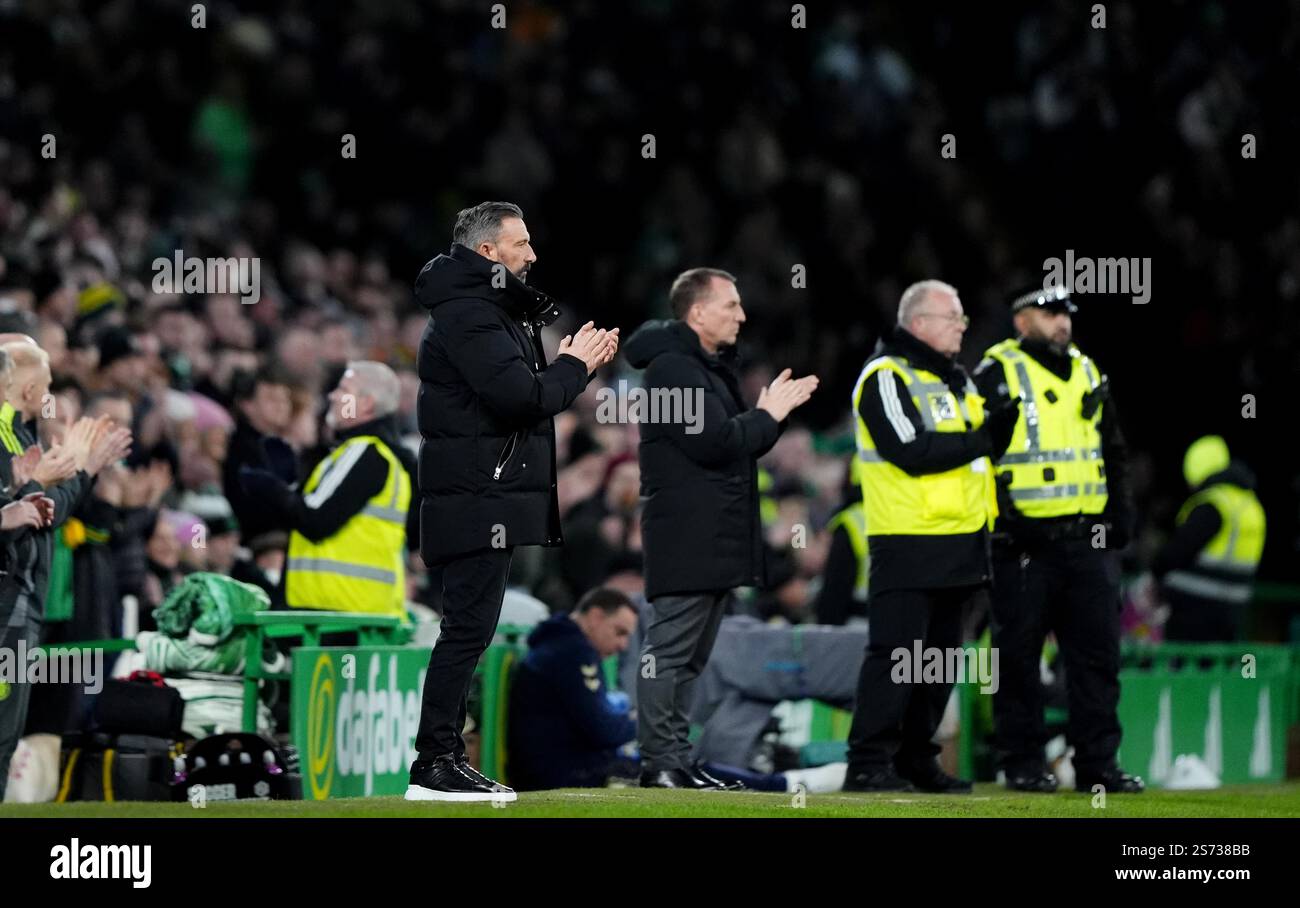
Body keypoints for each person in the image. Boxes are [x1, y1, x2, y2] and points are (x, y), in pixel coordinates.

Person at [407, 201, 618, 801]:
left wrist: (569, 368)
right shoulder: (470, 313)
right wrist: (575, 366)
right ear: (487, 253)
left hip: (482, 491)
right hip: (475, 495)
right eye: (520, 243)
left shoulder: (486, 309)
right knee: (466, 631)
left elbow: (518, 393)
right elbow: (521, 397)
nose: (533, 254)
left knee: (471, 630)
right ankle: (433, 764)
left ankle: (444, 757)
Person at [623, 267, 818, 789]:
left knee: (690, 656)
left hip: (708, 535)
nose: (742, 315)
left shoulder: (697, 367)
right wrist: (769, 414)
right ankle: (659, 761)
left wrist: (764, 419)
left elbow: (732, 444)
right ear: (698, 311)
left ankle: (676, 759)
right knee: (670, 651)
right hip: (687, 535)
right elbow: (714, 444)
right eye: (730, 305)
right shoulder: (671, 369)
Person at [842, 280, 1011, 793]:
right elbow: (910, 450)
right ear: (918, 324)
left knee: (938, 664)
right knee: (896, 656)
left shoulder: (956, 380)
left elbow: (973, 458)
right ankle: (869, 762)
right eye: (951, 316)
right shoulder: (885, 376)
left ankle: (917, 759)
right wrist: (987, 437)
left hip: (963, 542)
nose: (962, 325)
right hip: (908, 540)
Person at [973, 284, 1143, 793]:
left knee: (1097, 657)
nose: (1062, 323)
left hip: (1086, 539)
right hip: (1023, 542)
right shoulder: (995, 373)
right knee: (1018, 657)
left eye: (1066, 314)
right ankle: (1022, 763)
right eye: (1050, 314)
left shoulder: (1089, 370)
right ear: (1021, 320)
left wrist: (1120, 516)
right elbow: (977, 453)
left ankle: (1097, 764)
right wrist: (1004, 519)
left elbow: (1113, 450)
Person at [238, 361, 415, 619]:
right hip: (355, 609)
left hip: (337, 613)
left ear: (365, 404)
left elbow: (315, 520)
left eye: (343, 390)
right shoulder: (375, 455)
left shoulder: (365, 452)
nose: (332, 395)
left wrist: (268, 487)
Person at [507, 587, 639, 790]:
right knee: (658, 772)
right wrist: (643, 721)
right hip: (561, 776)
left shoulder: (558, 645)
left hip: (550, 768)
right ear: (596, 617)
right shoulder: (573, 653)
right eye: (620, 632)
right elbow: (604, 730)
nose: (623, 645)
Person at [1155, 435, 1265, 642]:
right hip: (1234, 610)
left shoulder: (1213, 504)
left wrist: (1155, 572)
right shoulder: (1251, 506)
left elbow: (1174, 554)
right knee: (1216, 671)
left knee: (1181, 671)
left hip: (1193, 612)